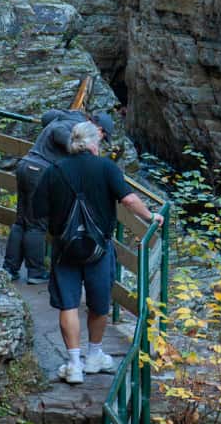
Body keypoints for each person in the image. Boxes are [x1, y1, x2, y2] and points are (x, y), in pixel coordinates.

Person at [33, 120, 163, 384]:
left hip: (65, 248)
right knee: (100, 302)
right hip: (99, 248)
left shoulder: (54, 170)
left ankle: (74, 364)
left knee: (68, 304)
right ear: (94, 143)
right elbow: (128, 199)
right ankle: (94, 356)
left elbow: (38, 210)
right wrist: (151, 217)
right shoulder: (106, 168)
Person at [2, 108, 114, 283]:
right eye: (103, 136)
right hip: (39, 172)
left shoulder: (67, 117)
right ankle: (35, 273)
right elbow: (57, 132)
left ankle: (10, 268)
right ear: (99, 129)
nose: (100, 140)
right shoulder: (75, 125)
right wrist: (77, 146)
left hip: (26, 165)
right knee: (36, 225)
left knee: (21, 221)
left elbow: (46, 117)